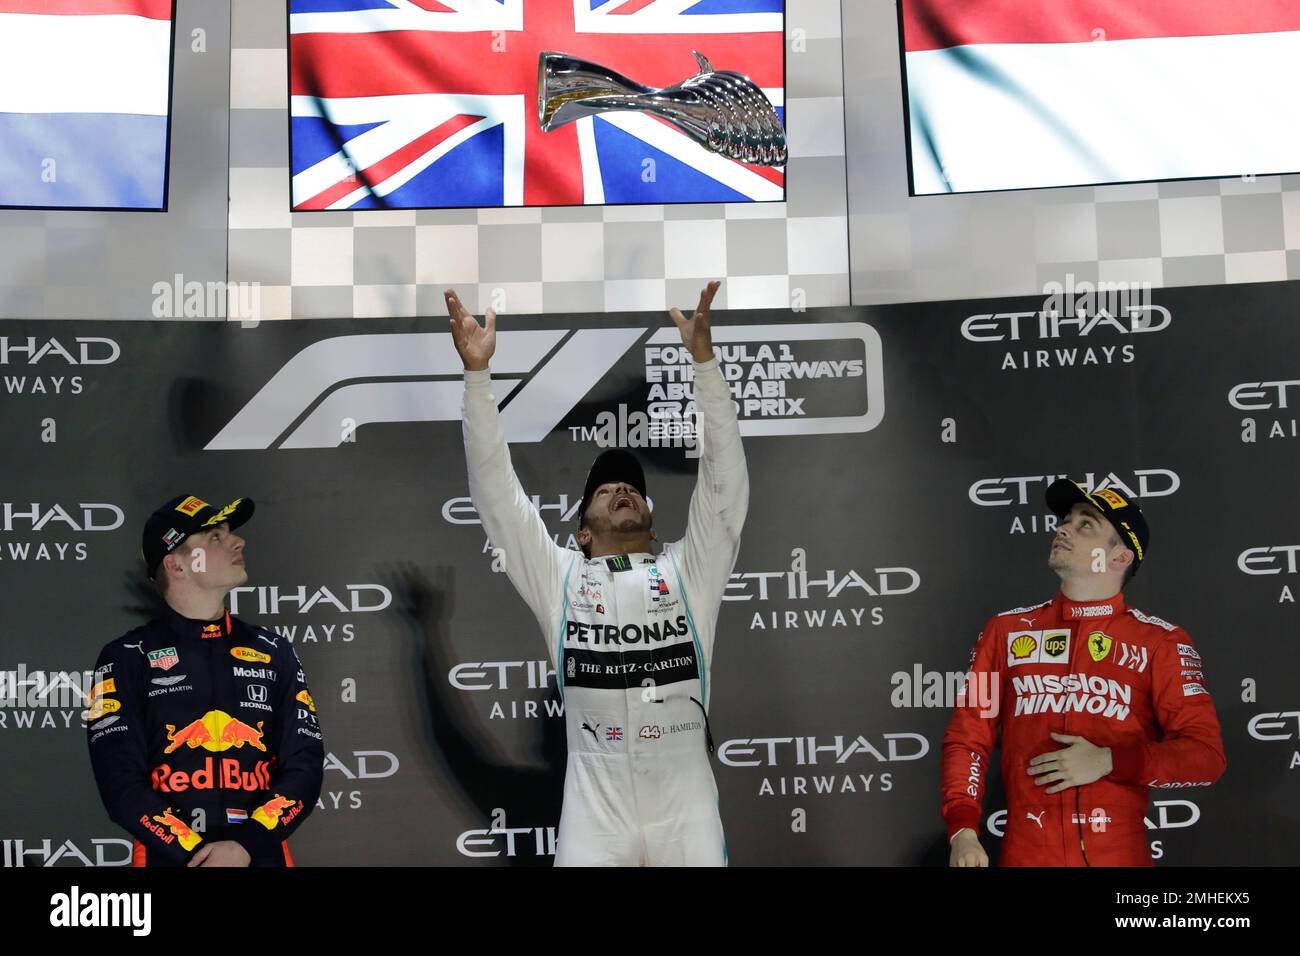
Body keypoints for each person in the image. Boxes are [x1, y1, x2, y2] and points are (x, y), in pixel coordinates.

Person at [449, 281, 748, 866]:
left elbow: (724, 484)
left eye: (632, 488)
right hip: (595, 809)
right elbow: (497, 496)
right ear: (581, 532)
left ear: (655, 526)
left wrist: (705, 366)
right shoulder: (559, 578)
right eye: (606, 489)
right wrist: (478, 378)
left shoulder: (689, 568)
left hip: (684, 806)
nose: (621, 490)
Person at [941, 479, 1226, 866]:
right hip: (1026, 857)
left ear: (1120, 558)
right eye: (1066, 520)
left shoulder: (1160, 642)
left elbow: (1205, 757)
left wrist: (1110, 760)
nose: (1063, 528)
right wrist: (963, 830)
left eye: (1085, 524)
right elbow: (967, 737)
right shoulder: (1005, 632)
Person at [87, 495, 323, 867]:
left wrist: (247, 845)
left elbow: (305, 767)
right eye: (214, 537)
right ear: (176, 565)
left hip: (259, 856)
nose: (237, 542)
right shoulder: (125, 657)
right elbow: (122, 786)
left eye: (229, 533)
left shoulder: (273, 650)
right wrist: (196, 854)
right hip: (171, 858)